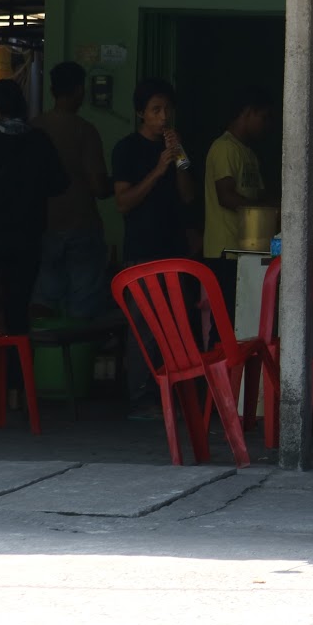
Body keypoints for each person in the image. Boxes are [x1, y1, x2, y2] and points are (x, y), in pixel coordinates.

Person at [0, 79, 69, 403]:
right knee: (18, 311)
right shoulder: (40, 141)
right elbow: (60, 183)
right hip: (27, 238)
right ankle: (16, 387)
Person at [112, 78, 197, 418]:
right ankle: (140, 397)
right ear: (140, 113)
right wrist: (158, 169)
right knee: (143, 327)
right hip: (142, 250)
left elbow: (189, 195)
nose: (163, 117)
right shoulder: (127, 149)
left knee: (177, 323)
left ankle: (171, 391)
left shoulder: (175, 148)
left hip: (174, 248)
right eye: (155, 110)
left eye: (167, 110)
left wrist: (178, 160)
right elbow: (123, 202)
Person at [31, 61, 113, 319]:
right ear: (79, 90)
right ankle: (75, 358)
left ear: (53, 90)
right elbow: (99, 187)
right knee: (83, 304)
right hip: (81, 225)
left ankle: (43, 356)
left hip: (42, 225)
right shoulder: (84, 130)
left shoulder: (34, 128)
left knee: (43, 299)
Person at [202, 86, 274, 323]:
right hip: (225, 250)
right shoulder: (224, 147)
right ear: (248, 113)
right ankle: (221, 360)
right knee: (224, 321)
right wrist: (268, 212)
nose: (265, 124)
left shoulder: (248, 153)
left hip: (247, 250)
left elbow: (259, 195)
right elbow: (226, 196)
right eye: (262, 117)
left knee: (244, 320)